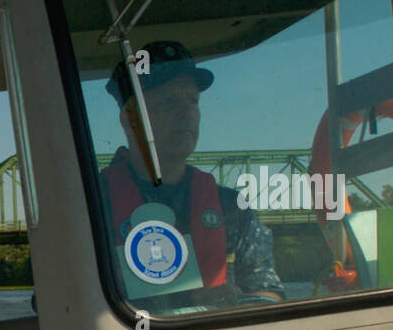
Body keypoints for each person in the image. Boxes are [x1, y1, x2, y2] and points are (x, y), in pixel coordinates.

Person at [102, 40, 284, 307]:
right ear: (130, 119)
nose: (186, 112)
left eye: (192, 100)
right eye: (168, 102)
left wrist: (237, 303)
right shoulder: (90, 206)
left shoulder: (232, 207)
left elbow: (270, 293)